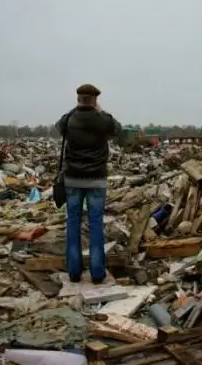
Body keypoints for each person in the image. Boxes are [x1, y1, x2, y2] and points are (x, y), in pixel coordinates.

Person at [55, 83, 121, 283]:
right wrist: (99, 110)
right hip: (96, 180)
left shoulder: (69, 119)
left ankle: (74, 273)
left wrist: (77, 109)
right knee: (95, 225)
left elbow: (59, 126)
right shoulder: (103, 120)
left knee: (73, 223)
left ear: (78, 99)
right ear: (95, 100)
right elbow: (117, 129)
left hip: (73, 179)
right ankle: (97, 273)